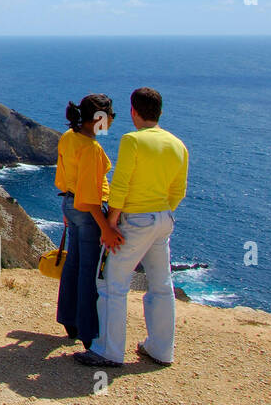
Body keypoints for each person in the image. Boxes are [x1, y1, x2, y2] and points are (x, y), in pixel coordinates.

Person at [76, 87, 189, 368]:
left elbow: (121, 185)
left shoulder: (132, 141)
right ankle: (161, 350)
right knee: (162, 284)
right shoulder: (178, 144)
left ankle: (109, 351)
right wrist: (162, 211)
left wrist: (110, 223)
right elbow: (179, 190)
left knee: (112, 284)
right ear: (159, 112)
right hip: (163, 218)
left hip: (136, 220)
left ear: (133, 112)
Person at [55, 93, 122, 347]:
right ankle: (88, 333)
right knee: (89, 271)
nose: (112, 121)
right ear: (99, 119)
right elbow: (91, 196)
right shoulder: (92, 149)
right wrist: (106, 227)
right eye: (111, 116)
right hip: (87, 210)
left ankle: (69, 320)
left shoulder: (68, 137)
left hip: (69, 204)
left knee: (73, 263)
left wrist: (68, 209)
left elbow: (65, 176)